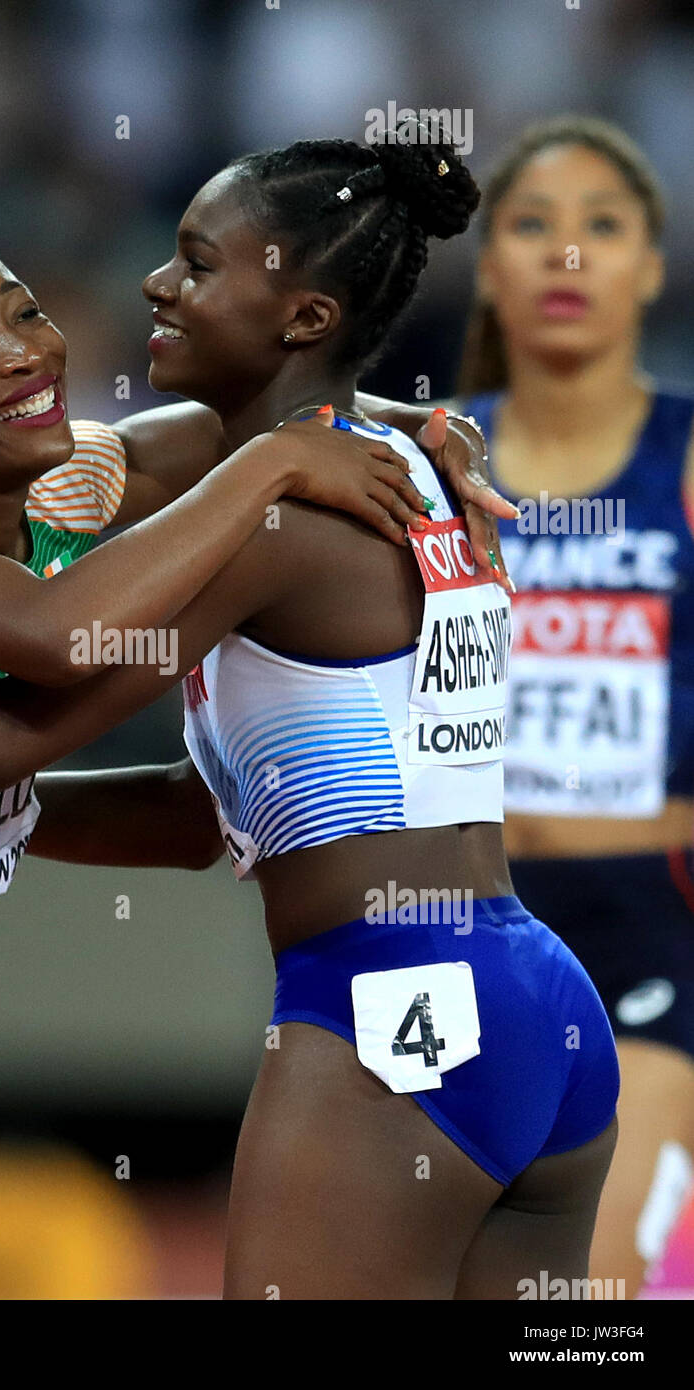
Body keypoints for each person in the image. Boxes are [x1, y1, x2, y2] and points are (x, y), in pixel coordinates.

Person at [0, 127, 618, 1298]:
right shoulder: (394, 458)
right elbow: (196, 813)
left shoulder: (283, 508)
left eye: (199, 265)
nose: (156, 285)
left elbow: (2, 727)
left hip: (393, 1012)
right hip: (538, 1013)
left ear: (304, 318)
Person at [458, 115, 694, 1295]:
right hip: (443, 913)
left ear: (650, 267)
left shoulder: (688, 457)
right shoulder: (426, 468)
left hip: (646, 923)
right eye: (533, 227)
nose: (566, 258)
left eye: (601, 228)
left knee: (588, 1292)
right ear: (487, 264)